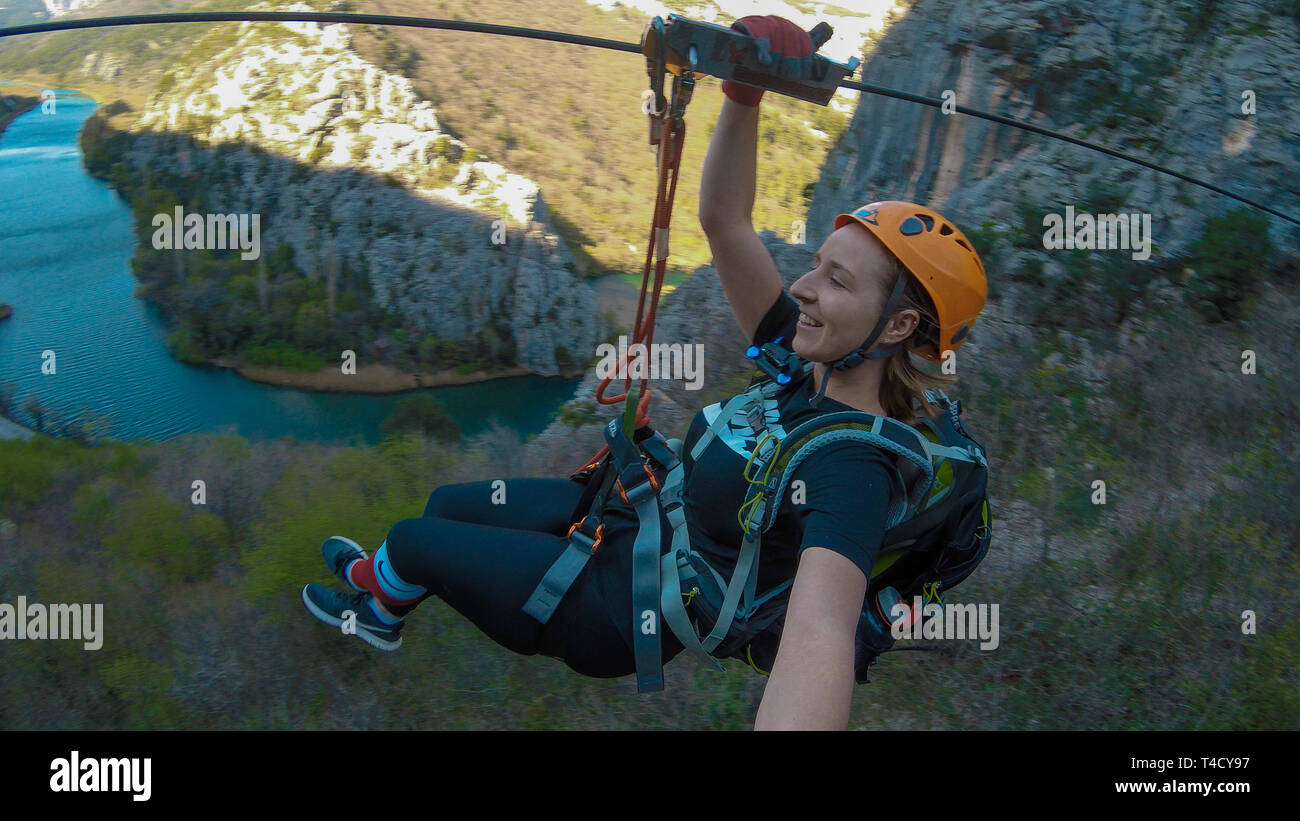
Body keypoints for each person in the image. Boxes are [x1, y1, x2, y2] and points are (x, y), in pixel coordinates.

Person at [301, 14, 987, 731]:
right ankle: (384, 588)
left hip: (616, 606)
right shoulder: (802, 357)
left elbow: (820, 635)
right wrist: (744, 94)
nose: (803, 288)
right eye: (815, 265)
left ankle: (378, 601)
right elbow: (725, 221)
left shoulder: (852, 467)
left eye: (836, 281)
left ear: (898, 327)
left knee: (413, 541)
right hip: (632, 519)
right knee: (445, 503)